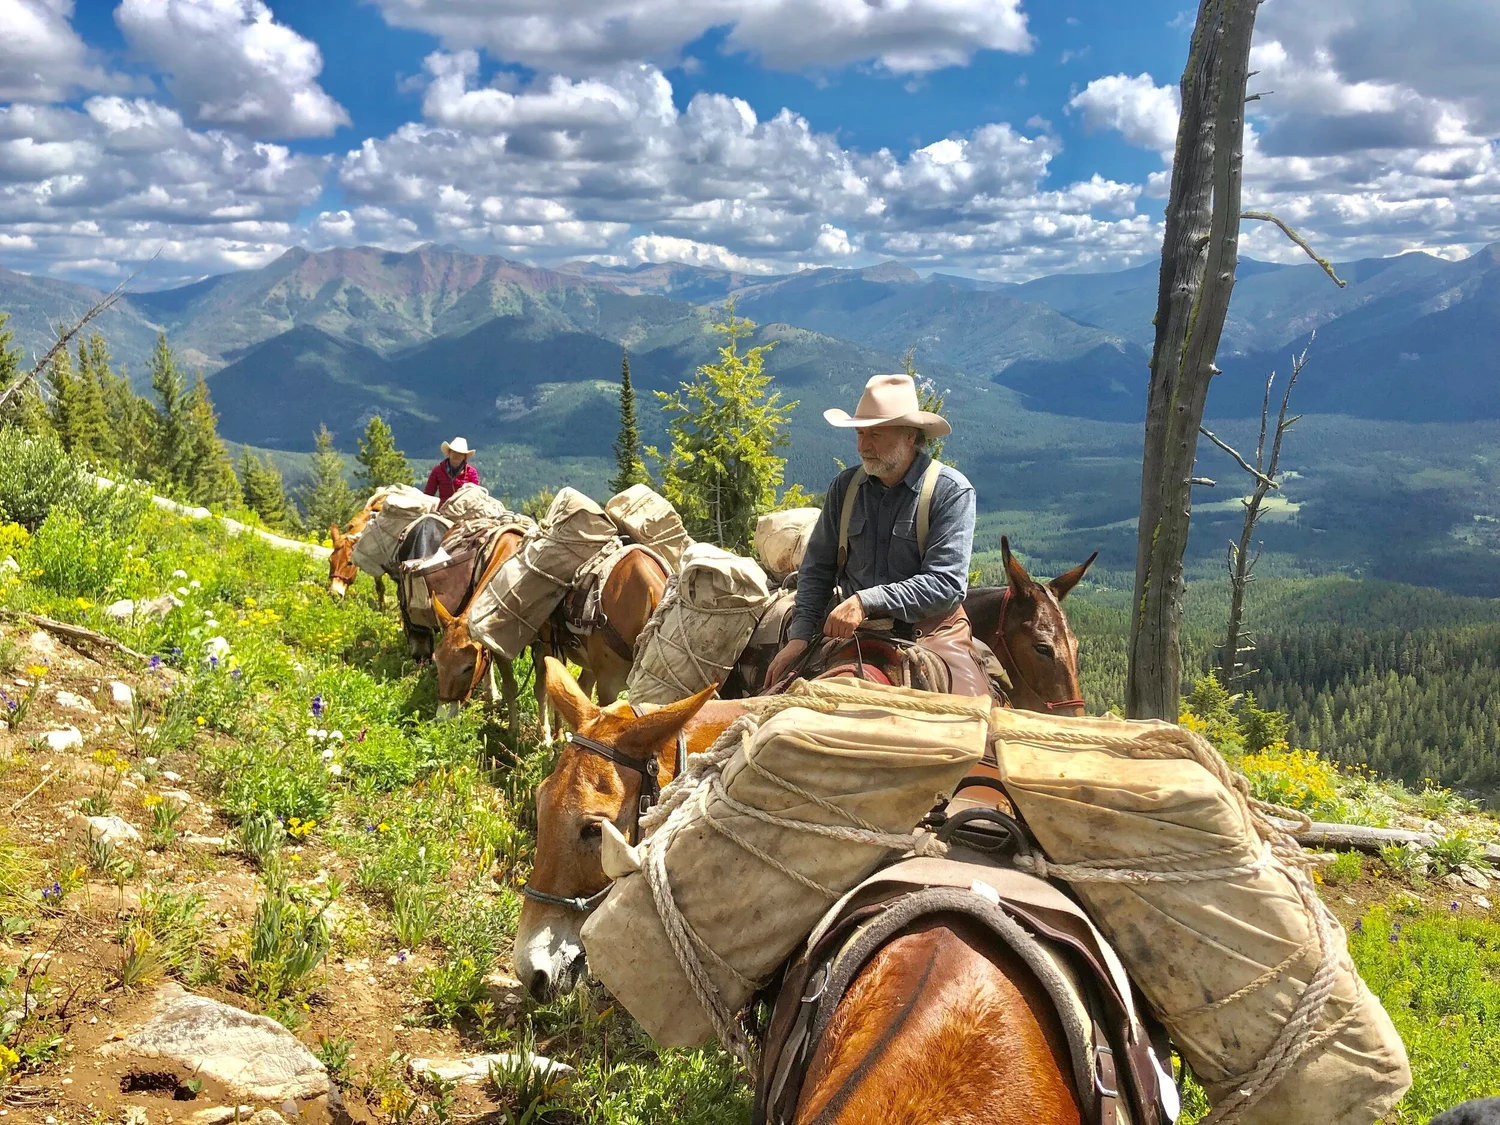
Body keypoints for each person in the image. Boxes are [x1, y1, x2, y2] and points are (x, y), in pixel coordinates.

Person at [763, 373, 988, 697]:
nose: (863, 445)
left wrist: (866, 601)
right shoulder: (846, 487)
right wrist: (799, 636)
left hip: (929, 633)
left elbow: (947, 584)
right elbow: (818, 568)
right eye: (860, 433)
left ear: (910, 436)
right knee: (769, 710)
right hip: (849, 634)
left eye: (876, 434)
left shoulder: (950, 492)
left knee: (975, 726)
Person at [424, 437, 481, 504]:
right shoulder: (438, 471)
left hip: (465, 509)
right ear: (449, 453)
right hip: (442, 509)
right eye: (454, 452)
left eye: (460, 453)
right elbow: (428, 494)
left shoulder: (471, 472)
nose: (456, 455)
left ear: (464, 456)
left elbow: (476, 494)